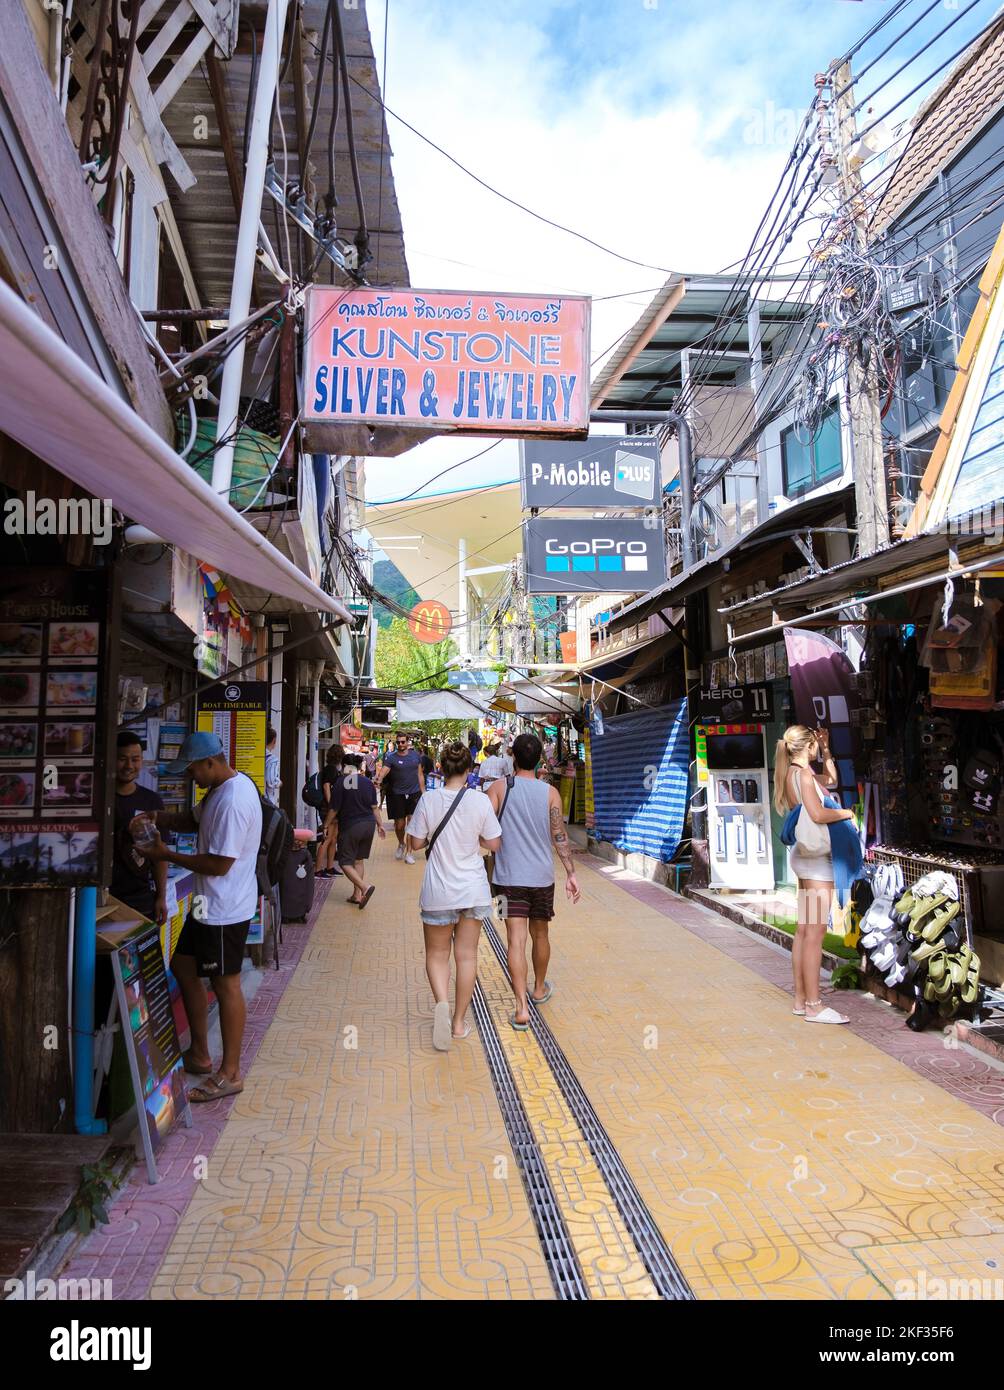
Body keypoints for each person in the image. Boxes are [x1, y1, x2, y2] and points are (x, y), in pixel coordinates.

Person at [134, 731, 262, 1101]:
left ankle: (231, 1072)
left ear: (211, 762)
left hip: (225, 909)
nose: (191, 778)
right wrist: (159, 817)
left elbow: (219, 864)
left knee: (226, 985)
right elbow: (193, 820)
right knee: (184, 966)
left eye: (192, 771)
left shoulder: (234, 800)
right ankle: (201, 1054)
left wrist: (164, 854)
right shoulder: (219, 791)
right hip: (207, 906)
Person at [407, 742, 501, 1050]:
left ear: (441, 769)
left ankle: (442, 1007)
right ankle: (459, 1023)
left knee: (436, 955)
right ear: (470, 769)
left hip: (438, 890)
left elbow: (416, 844)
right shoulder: (481, 801)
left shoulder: (428, 800)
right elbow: (494, 844)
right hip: (472, 891)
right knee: (467, 957)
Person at [487, 732, 580, 1030]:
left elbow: (485, 831)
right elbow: (559, 836)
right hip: (542, 878)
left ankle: (521, 1007)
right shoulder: (550, 793)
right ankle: (538, 988)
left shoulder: (498, 789)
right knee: (541, 934)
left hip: (506, 878)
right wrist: (571, 873)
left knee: (515, 940)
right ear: (540, 758)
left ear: (512, 755)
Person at [774, 724, 856, 1025]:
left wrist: (826, 749)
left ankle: (800, 1000)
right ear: (806, 747)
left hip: (803, 858)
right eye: (816, 745)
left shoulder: (792, 774)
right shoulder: (804, 775)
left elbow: (831, 779)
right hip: (816, 862)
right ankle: (814, 1005)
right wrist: (847, 814)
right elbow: (818, 814)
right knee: (815, 934)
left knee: (805, 931)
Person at [111, 730, 167, 925]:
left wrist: (161, 897)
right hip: (98, 898)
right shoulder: (98, 800)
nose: (129, 766)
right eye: (122, 759)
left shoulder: (151, 801)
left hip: (140, 898)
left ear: (142, 761)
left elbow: (160, 855)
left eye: (135, 759)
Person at [328, 752, 385, 907]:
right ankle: (357, 895)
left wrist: (326, 825)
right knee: (358, 860)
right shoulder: (367, 782)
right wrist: (380, 825)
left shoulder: (341, 782)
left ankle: (364, 887)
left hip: (351, 826)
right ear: (359, 767)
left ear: (345, 767)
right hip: (368, 825)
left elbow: (334, 809)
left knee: (344, 862)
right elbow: (374, 807)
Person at [376, 731, 425, 864]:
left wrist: (424, 792)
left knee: (411, 824)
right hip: (396, 794)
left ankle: (409, 852)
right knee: (399, 825)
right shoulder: (391, 757)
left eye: (403, 742)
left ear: (408, 742)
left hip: (414, 793)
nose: (400, 744)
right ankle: (401, 844)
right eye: (398, 742)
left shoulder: (415, 756)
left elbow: (420, 775)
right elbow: (385, 769)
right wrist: (379, 779)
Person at [315, 744, 345, 878]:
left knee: (333, 839)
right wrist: (332, 805)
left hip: (333, 808)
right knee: (327, 839)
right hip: (329, 809)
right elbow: (327, 787)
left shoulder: (333, 769)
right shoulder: (331, 770)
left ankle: (330, 867)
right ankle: (318, 869)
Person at [264, 726, 281, 806]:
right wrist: (279, 783)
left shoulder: (258, 756)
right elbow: (271, 782)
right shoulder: (272, 760)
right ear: (274, 740)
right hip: (268, 801)